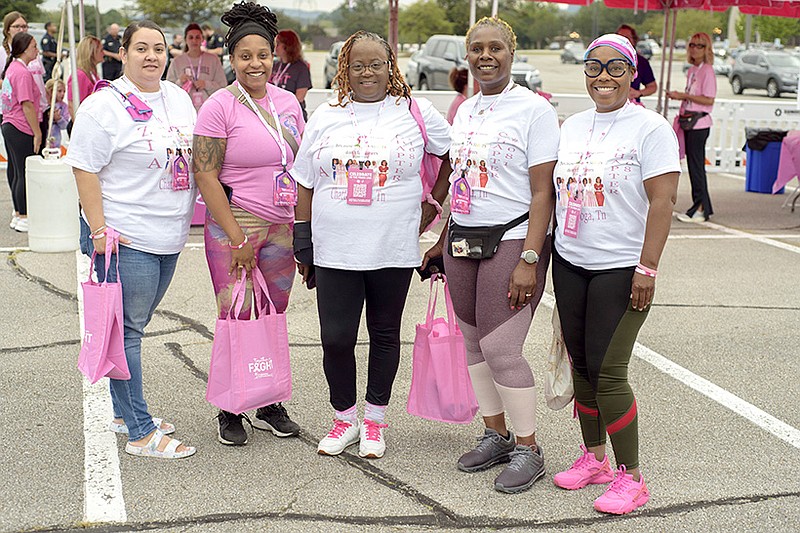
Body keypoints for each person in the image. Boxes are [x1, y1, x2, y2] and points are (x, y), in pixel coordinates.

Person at [293, 30, 451, 460]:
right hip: (333, 247)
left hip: (392, 246)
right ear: (345, 68)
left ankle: (375, 420)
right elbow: (305, 180)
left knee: (384, 333)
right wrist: (302, 237)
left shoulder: (415, 111)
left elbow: (455, 154)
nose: (367, 72)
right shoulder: (326, 115)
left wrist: (432, 204)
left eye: (375, 63)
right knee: (336, 337)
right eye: (357, 64)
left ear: (390, 66)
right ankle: (344, 417)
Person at [421, 17, 558, 494]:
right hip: (463, 239)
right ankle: (495, 433)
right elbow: (460, 182)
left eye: (495, 48)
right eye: (476, 48)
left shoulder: (534, 110)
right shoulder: (466, 110)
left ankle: (528, 447)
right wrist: (441, 237)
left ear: (512, 53)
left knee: (503, 348)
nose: (485, 56)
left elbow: (544, 193)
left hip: (513, 240)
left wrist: (531, 257)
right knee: (474, 344)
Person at [550, 34, 679, 515]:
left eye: (615, 68)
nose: (603, 76)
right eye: (593, 67)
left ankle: (632, 478)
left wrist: (647, 267)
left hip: (622, 266)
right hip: (570, 260)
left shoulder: (651, 128)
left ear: (631, 73)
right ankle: (595, 459)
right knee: (582, 368)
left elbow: (662, 203)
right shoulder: (572, 126)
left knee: (609, 372)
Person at [63, 20, 197, 459]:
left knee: (133, 328)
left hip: (169, 237)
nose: (152, 56)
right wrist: (99, 231)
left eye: (159, 48)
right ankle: (140, 430)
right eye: (141, 48)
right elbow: (83, 167)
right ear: (123, 53)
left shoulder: (178, 99)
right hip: (126, 239)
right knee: (128, 334)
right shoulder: (104, 106)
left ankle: (123, 413)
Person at [192, 2, 304, 447]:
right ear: (231, 59)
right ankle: (230, 406)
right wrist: (236, 236)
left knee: (273, 314)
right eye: (245, 56)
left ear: (273, 56)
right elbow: (205, 174)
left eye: (262, 54)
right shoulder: (219, 106)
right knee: (237, 312)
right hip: (233, 226)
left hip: (282, 226)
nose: (255, 63)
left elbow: (304, 164)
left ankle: (268, 400)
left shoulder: (288, 104)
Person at [668, 32, 716, 223]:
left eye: (700, 45)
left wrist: (684, 96)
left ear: (707, 49)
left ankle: (701, 207)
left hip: (699, 123)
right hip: (688, 121)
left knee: (697, 167)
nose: (695, 48)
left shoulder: (707, 71)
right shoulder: (693, 70)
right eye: (692, 45)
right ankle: (701, 205)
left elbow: (709, 99)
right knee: (693, 166)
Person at [2, 32, 41, 233]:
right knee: (24, 173)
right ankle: (24, 214)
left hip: (10, 124)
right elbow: (27, 105)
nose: (37, 50)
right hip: (20, 126)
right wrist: (37, 132)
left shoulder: (13, 68)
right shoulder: (22, 72)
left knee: (18, 171)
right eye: (35, 46)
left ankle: (19, 214)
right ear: (25, 48)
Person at [166, 23, 226, 110]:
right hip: (184, 110)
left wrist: (206, 84)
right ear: (185, 40)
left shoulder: (213, 60)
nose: (194, 41)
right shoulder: (177, 62)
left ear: (202, 39)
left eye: (197, 37)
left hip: (210, 109)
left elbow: (223, 86)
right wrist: (180, 82)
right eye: (191, 37)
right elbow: (168, 90)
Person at [269, 29, 312, 121]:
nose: (275, 47)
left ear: (287, 46)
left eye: (278, 44)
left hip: (292, 115)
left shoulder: (301, 68)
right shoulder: (275, 65)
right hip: (273, 114)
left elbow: (299, 97)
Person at [616, 25, 656, 104]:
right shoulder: (607, 59)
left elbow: (652, 87)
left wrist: (638, 93)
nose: (623, 41)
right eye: (619, 37)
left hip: (631, 107)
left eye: (626, 37)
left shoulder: (641, 62)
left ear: (634, 41)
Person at [67, 35, 103, 119]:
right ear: (91, 53)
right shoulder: (80, 76)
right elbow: (72, 105)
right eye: (101, 50)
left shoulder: (92, 73)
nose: (103, 53)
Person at [44, 78, 69, 148]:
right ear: (51, 91)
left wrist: (59, 119)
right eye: (59, 91)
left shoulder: (64, 106)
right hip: (44, 139)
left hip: (56, 141)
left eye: (64, 91)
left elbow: (65, 126)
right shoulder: (44, 104)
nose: (62, 94)